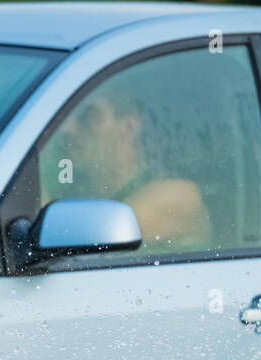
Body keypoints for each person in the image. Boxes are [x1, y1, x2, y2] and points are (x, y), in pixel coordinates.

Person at [41, 87, 212, 251]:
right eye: (66, 118)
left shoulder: (177, 196)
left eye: (87, 117)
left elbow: (78, 242)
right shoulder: (78, 191)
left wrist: (36, 156)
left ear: (129, 127)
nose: (66, 129)